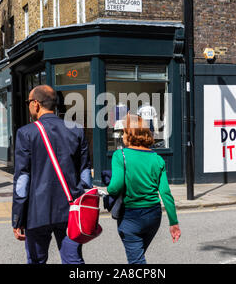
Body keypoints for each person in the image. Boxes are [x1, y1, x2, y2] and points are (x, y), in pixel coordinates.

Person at [12, 85, 91, 264]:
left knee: (36, 261)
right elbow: (85, 173)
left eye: (28, 102)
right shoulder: (76, 130)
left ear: (36, 104)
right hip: (71, 209)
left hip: (37, 212)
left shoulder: (26, 133)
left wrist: (17, 218)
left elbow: (22, 180)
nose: (28, 106)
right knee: (73, 260)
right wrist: (85, 204)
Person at [107, 114, 181, 264]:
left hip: (130, 216)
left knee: (136, 261)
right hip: (153, 216)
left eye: (124, 132)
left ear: (128, 133)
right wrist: (173, 222)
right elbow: (165, 193)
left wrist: (107, 186)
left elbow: (114, 188)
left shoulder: (120, 155)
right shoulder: (157, 158)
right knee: (138, 256)